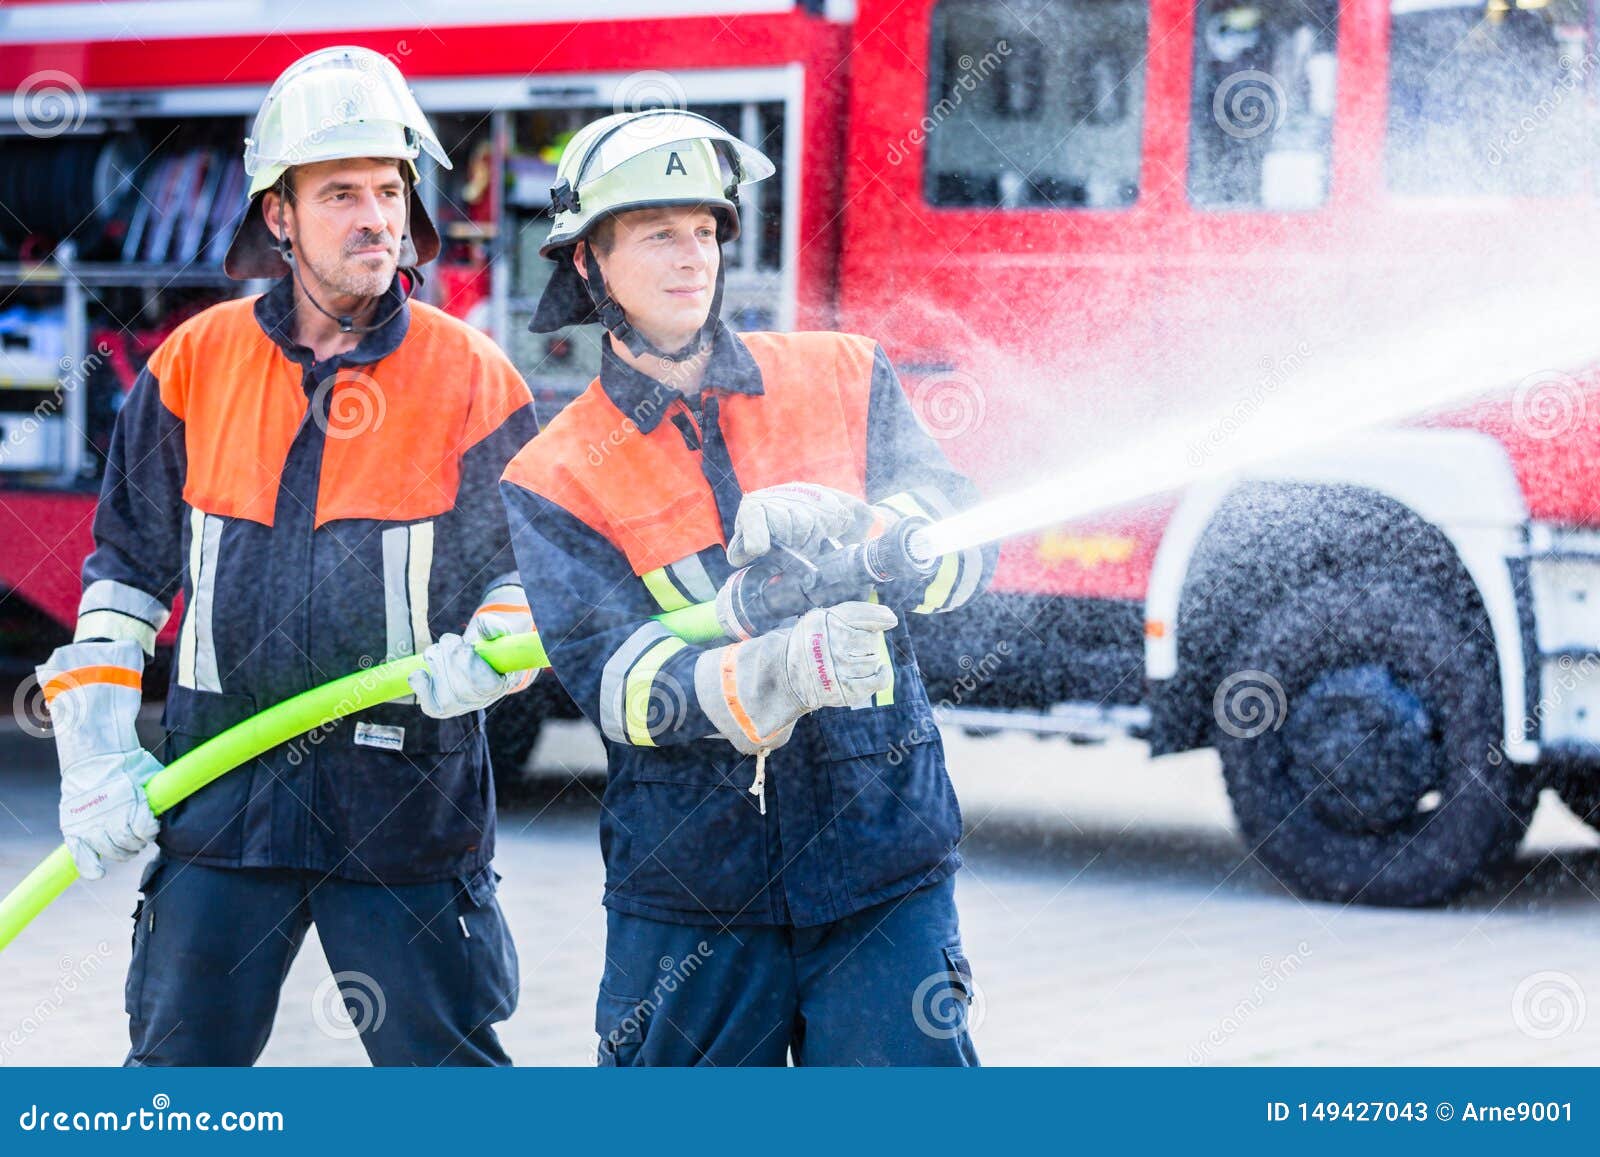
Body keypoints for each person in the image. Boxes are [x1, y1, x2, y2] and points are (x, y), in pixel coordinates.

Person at [36, 46, 537, 1066]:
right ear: (279, 214)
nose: (375, 217)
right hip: (223, 799)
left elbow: (525, 574)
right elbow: (124, 574)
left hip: (407, 808)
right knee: (175, 1079)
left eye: (389, 190)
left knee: (449, 1084)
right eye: (341, 192)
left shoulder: (471, 376)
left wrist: (495, 650)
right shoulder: (195, 363)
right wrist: (92, 747)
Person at [499, 110, 996, 1066]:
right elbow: (617, 682)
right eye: (658, 233)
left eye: (705, 228)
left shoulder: (841, 373)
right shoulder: (556, 473)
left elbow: (969, 547)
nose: (693, 255)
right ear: (588, 263)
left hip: (881, 867)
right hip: (694, 897)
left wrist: (873, 531)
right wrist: (779, 674)